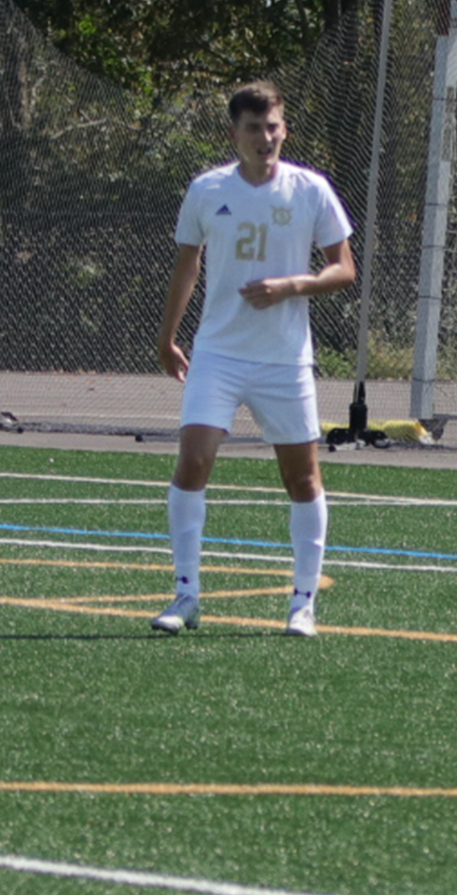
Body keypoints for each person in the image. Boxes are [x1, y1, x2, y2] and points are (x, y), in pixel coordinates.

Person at [151, 81, 357, 638]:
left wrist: (293, 285)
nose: (265, 139)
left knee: (302, 478)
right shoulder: (206, 190)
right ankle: (186, 595)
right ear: (233, 133)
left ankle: (302, 604)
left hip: (284, 360)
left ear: (284, 129)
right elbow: (186, 267)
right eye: (253, 129)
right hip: (218, 352)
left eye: (273, 128)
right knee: (193, 461)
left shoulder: (310, 190)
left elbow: (344, 268)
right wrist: (169, 337)